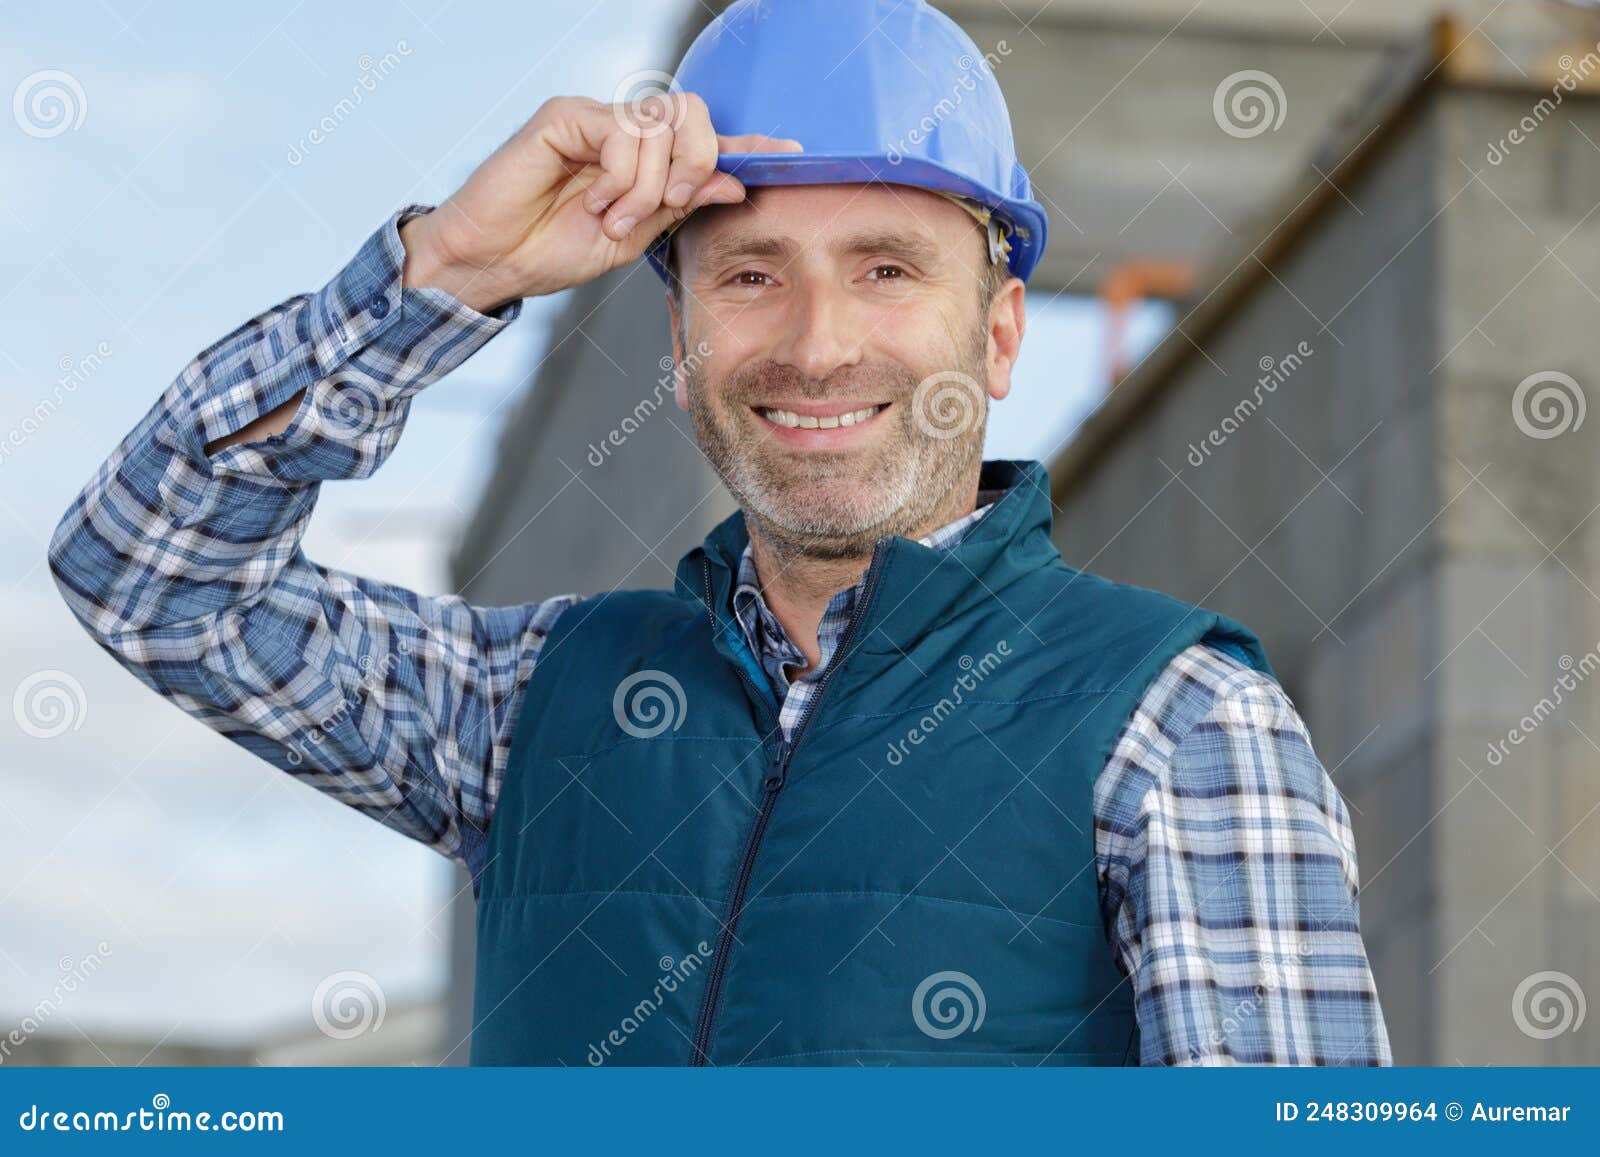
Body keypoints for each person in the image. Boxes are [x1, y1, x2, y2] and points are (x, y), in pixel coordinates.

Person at [48, 0, 1390, 1066]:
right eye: (751, 275)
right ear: (681, 348)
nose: (817, 345)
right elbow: (149, 569)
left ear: (997, 332)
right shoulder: (531, 707)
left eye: (886, 268)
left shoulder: (1177, 724)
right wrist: (444, 274)